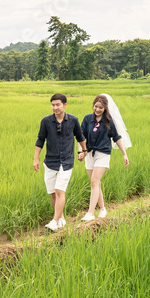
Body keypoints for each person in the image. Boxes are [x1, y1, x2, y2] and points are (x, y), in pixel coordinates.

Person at [34, 93, 86, 231]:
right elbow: (40, 140)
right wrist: (36, 159)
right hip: (50, 161)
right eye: (53, 105)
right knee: (52, 192)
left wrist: (83, 151)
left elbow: (80, 137)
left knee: (59, 190)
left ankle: (54, 221)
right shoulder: (46, 121)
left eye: (57, 104)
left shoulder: (73, 120)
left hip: (67, 161)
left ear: (64, 105)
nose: (55, 107)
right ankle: (61, 218)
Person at [79, 93, 130, 222]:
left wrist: (124, 154)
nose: (97, 109)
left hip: (103, 154)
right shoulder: (87, 119)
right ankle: (102, 209)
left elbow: (116, 137)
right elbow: (81, 137)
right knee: (95, 183)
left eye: (100, 108)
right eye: (96, 106)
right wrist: (81, 151)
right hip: (89, 154)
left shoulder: (108, 121)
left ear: (105, 108)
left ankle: (90, 213)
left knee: (94, 182)